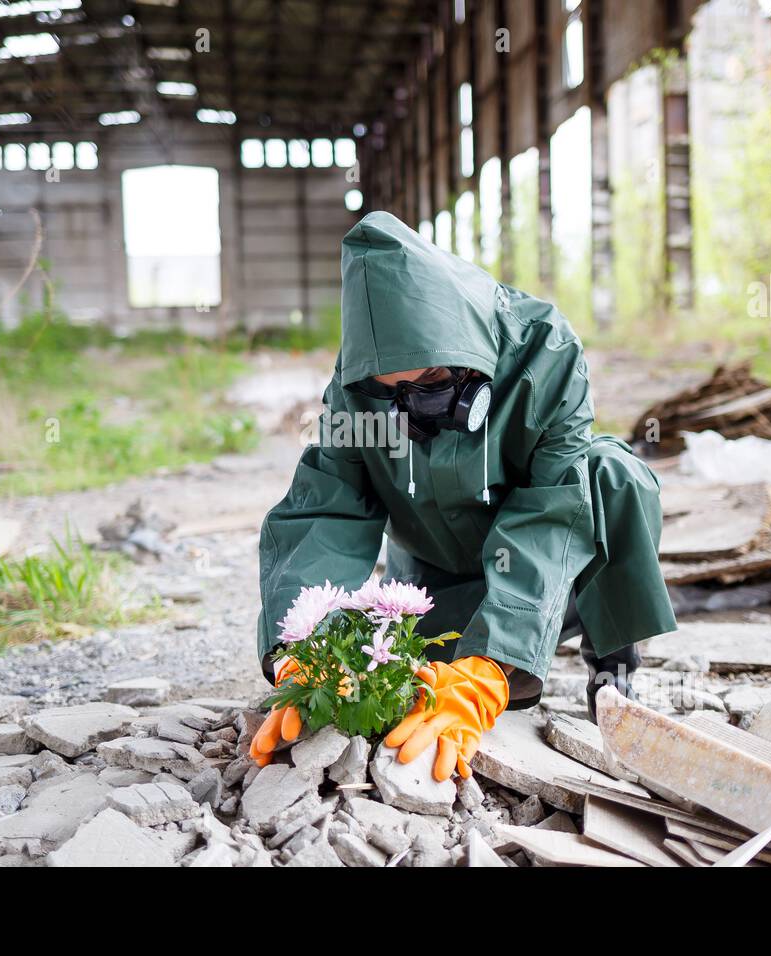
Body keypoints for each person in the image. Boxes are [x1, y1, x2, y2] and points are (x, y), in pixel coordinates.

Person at [250, 211, 675, 782]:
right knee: (409, 688)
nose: (408, 405)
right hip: (437, 588)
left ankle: (612, 659)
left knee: (612, 473)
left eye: (427, 384)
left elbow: (553, 512)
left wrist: (491, 667)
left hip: (557, 578)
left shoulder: (545, 351)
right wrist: (301, 642)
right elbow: (324, 508)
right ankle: (476, 649)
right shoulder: (356, 389)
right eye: (390, 391)